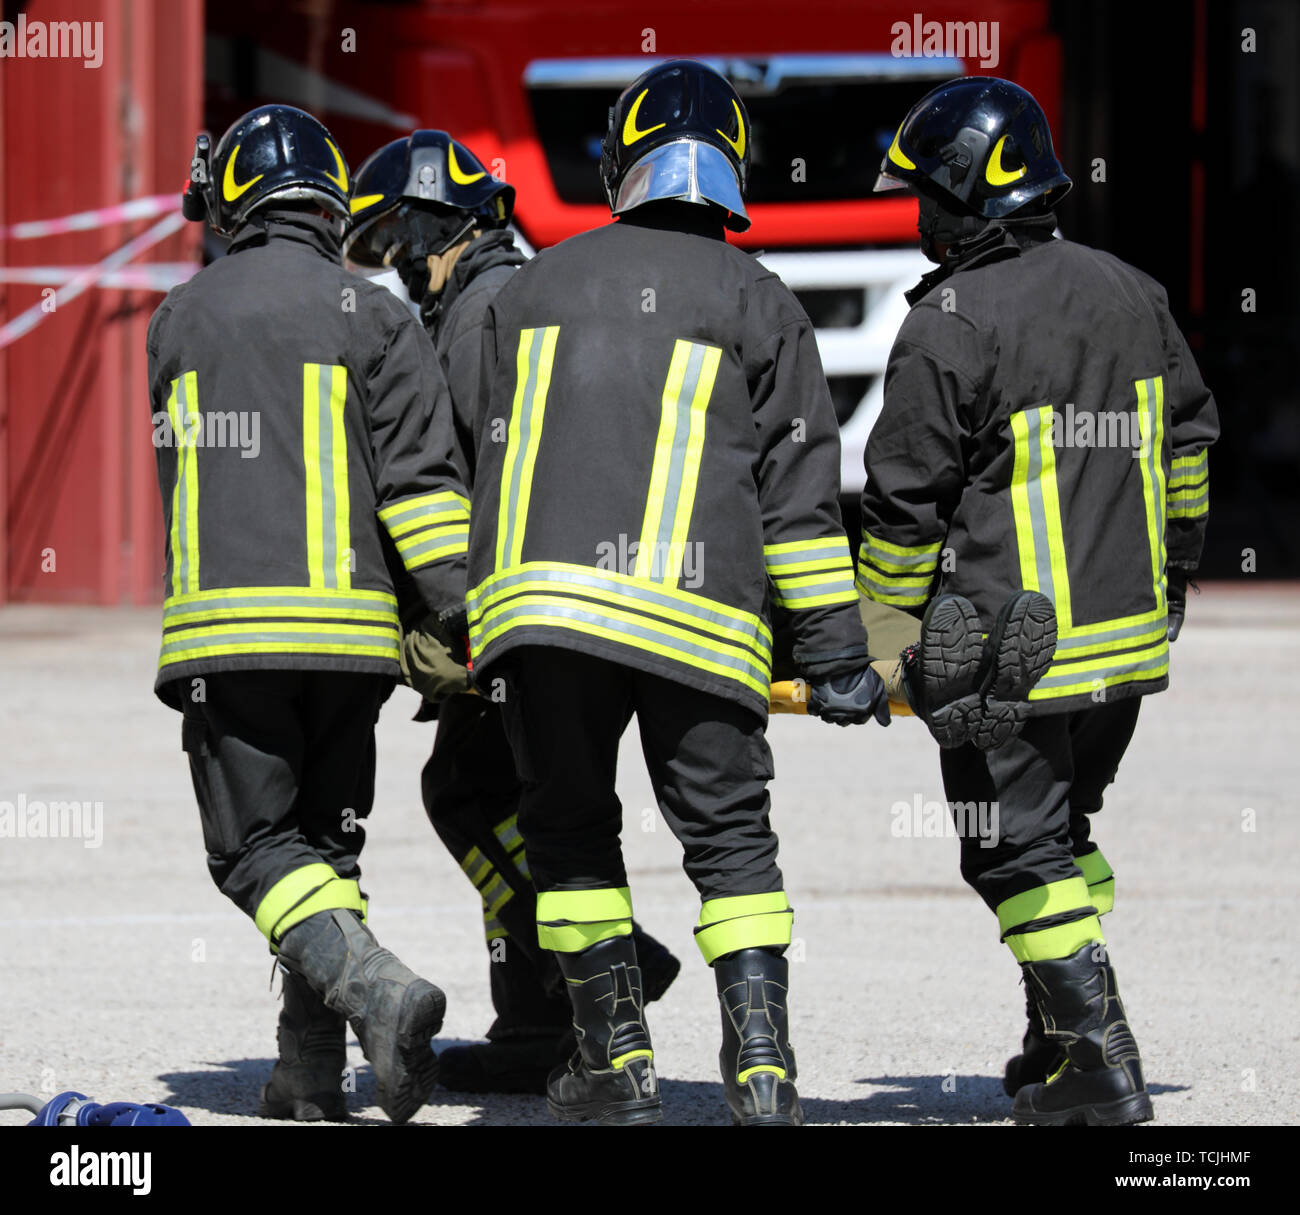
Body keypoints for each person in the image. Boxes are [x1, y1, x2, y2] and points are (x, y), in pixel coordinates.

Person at [465, 59, 892, 1128]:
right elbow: (798, 506)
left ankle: (614, 1064)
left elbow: (476, 453)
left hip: (540, 617)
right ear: (732, 171)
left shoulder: (528, 286)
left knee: (566, 833)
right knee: (732, 839)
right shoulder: (760, 300)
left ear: (619, 165)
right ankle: (763, 1069)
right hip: (695, 621)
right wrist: (838, 657)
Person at [861, 76, 1219, 1125]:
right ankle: (1056, 1041)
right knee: (1060, 835)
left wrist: (881, 646)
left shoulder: (947, 324)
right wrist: (1171, 580)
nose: (920, 216)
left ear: (972, 191)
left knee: (1009, 848)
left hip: (1003, 659)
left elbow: (901, 511)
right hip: (1125, 651)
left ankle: (1102, 1067)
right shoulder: (1133, 292)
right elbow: (1189, 450)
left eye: (927, 193)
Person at [150, 104, 471, 1124]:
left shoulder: (180, 317)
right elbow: (423, 495)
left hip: (228, 638)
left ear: (234, 199)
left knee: (254, 853)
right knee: (324, 850)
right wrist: (466, 620)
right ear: (333, 201)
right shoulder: (373, 314)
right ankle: (309, 1074)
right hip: (351, 642)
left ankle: (375, 990)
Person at [343, 130, 680, 1094]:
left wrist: (464, 612)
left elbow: (490, 471)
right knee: (503, 794)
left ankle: (605, 963)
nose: (399, 266)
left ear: (441, 228)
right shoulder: (498, 295)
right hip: (539, 597)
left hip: (522, 602)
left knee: (470, 792)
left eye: (402, 240)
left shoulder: (483, 310)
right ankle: (540, 1019)